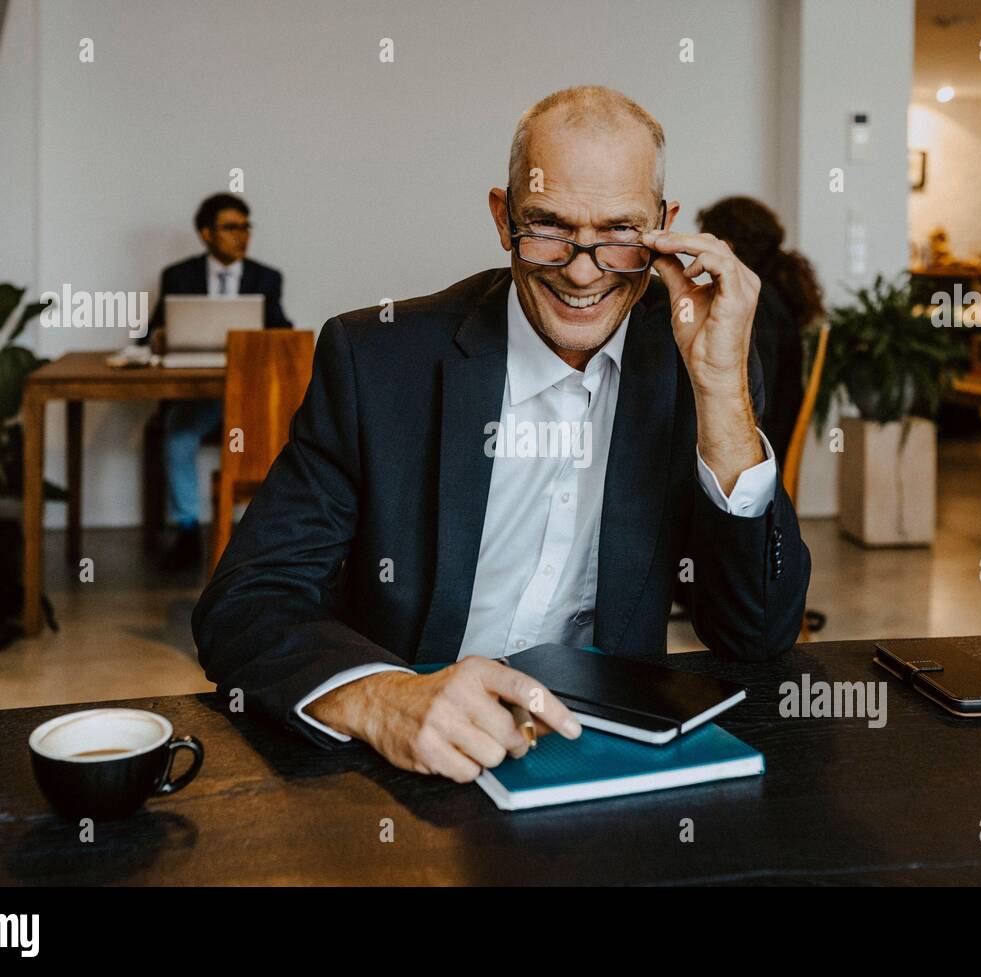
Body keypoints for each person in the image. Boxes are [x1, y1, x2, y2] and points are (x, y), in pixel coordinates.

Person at [193, 85, 811, 784]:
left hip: (599, 756)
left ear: (662, 225)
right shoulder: (376, 359)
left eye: (618, 231)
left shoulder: (695, 365)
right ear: (502, 216)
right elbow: (247, 599)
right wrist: (384, 699)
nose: (582, 270)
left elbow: (754, 634)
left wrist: (723, 392)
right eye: (548, 226)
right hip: (400, 764)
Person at [145, 193, 293, 571]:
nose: (242, 236)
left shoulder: (266, 277)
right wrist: (159, 337)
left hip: (251, 393)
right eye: (231, 228)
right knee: (178, 436)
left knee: (282, 434)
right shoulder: (178, 275)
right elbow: (151, 336)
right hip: (199, 393)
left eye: (246, 227)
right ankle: (188, 528)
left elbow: (282, 334)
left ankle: (261, 533)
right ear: (206, 234)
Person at [697, 197, 824, 462]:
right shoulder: (771, 292)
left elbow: (757, 398)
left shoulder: (758, 303)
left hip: (759, 449)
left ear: (727, 247)